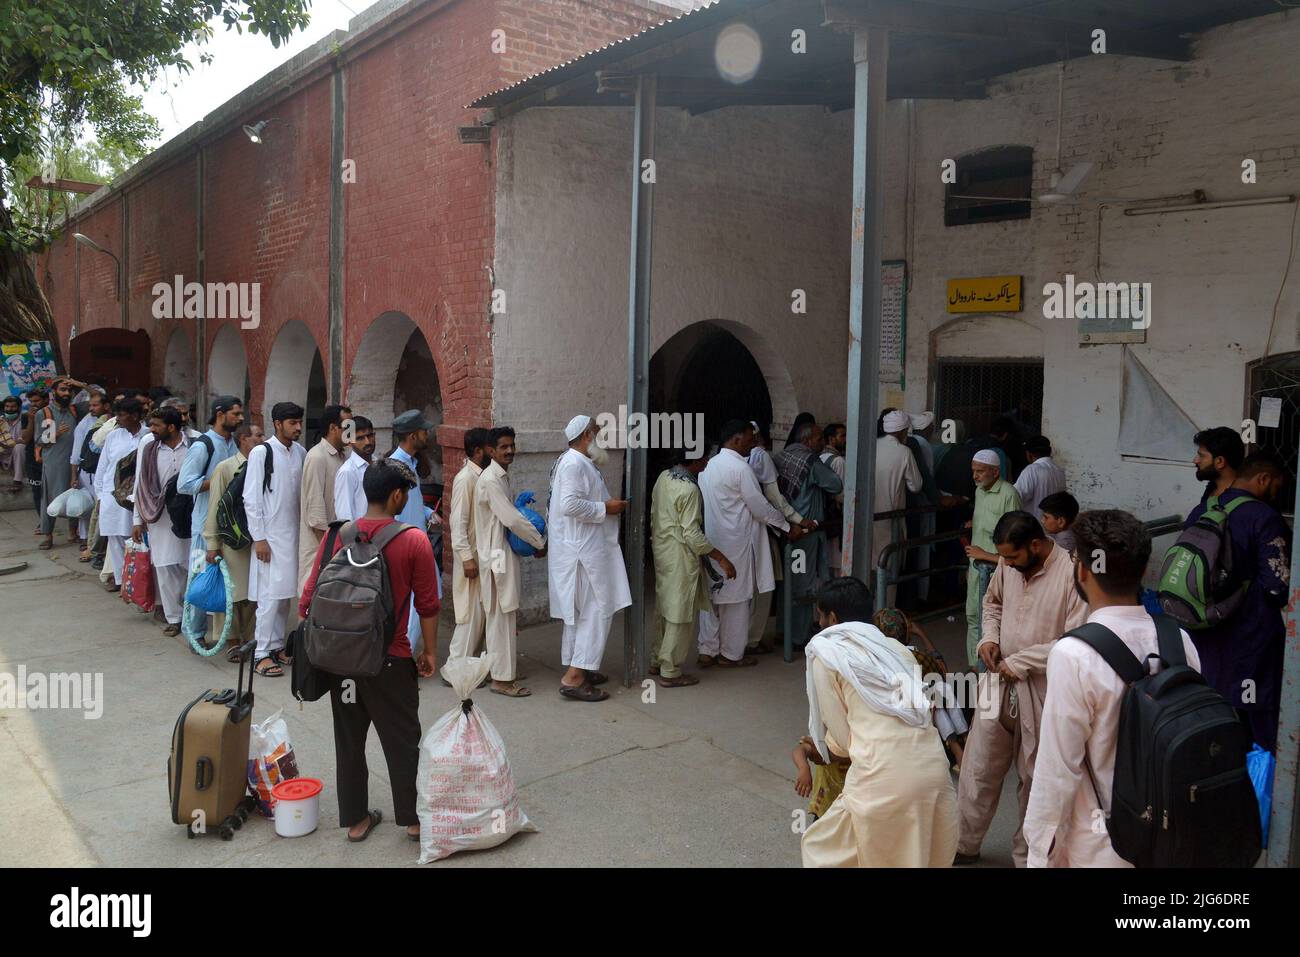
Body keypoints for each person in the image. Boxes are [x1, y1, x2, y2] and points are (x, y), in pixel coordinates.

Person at [1023, 510, 1201, 867]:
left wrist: (1039, 852)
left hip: (1103, 846)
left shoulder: (1074, 654)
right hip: (1172, 841)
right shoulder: (1179, 640)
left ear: (1083, 571)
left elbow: (1058, 769)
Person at [299, 458, 440, 844]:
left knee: (349, 739)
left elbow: (307, 599)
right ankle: (411, 820)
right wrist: (429, 652)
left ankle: (356, 821)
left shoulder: (336, 536)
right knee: (402, 738)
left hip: (342, 661)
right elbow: (428, 605)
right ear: (397, 495)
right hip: (390, 660)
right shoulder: (413, 540)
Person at [954, 511, 1087, 867]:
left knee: (1034, 780)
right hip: (998, 680)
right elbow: (992, 603)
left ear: (1037, 544)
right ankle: (963, 844)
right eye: (1004, 558)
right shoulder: (1007, 566)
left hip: (1043, 691)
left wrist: (1023, 662)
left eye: (1013, 557)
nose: (1008, 565)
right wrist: (989, 637)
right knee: (978, 768)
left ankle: (1027, 857)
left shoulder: (1071, 573)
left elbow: (1076, 641)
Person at [800, 576, 958, 868]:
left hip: (880, 778)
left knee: (820, 850)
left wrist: (819, 749)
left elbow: (843, 740)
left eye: (821, 617)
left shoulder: (828, 656)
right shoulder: (898, 651)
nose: (820, 624)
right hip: (933, 774)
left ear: (831, 617)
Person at [1182, 451, 1291, 751]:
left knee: (1215, 716)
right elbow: (1276, 587)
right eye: (1276, 486)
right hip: (1251, 638)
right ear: (1264, 478)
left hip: (1203, 631)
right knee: (1257, 723)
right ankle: (1258, 787)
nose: (1275, 494)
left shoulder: (1201, 509)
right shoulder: (1264, 517)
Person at [698, 420, 800, 667]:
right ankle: (730, 654)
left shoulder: (710, 466)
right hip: (737, 544)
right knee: (737, 601)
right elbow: (760, 507)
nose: (754, 442)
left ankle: (707, 649)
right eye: (749, 437)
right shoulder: (740, 469)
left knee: (712, 598)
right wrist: (786, 526)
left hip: (713, 542)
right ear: (736, 439)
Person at [548, 415, 632, 702]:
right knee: (598, 610)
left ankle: (581, 668)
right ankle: (574, 676)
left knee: (582, 614)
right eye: (595, 432)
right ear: (585, 435)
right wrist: (605, 508)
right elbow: (569, 505)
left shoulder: (576, 461)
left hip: (584, 549)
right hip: (582, 552)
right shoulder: (573, 463)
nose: (598, 436)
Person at [650, 449, 735, 687]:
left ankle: (657, 659)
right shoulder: (689, 490)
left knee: (664, 607)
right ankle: (670, 670)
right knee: (680, 612)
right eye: (705, 457)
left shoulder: (664, 477)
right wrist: (721, 558)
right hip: (680, 557)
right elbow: (693, 534)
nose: (708, 461)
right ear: (695, 460)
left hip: (662, 552)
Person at [473, 426, 546, 697]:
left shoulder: (500, 477)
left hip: (497, 553)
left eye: (512, 445)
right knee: (503, 614)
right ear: (491, 451)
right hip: (497, 556)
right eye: (503, 447)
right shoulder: (492, 479)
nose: (510, 450)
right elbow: (512, 520)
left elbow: (507, 514)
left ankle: (498, 671)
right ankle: (502, 680)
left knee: (500, 614)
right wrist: (539, 542)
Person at [244, 402, 306, 678]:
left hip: (294, 536)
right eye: (292, 422)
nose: (298, 428)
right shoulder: (262, 452)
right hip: (269, 537)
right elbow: (251, 498)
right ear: (278, 423)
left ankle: (278, 645)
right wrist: (259, 538)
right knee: (269, 597)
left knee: (285, 597)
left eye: (299, 422)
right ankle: (260, 654)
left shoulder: (300, 453)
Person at [741, 423, 809, 655]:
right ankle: (751, 639)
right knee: (764, 585)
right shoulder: (761, 458)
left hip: (736, 532)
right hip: (764, 529)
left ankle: (735, 639)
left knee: (741, 588)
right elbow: (774, 499)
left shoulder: (724, 461)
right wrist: (795, 521)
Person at [873, 607, 968, 769]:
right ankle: (964, 742)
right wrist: (921, 633)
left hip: (914, 708)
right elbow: (942, 670)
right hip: (919, 710)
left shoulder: (880, 661)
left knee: (936, 694)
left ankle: (958, 748)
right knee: (943, 691)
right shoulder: (916, 655)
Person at [775, 422, 843, 645]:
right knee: (803, 583)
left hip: (785, 529)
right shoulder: (809, 461)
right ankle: (797, 636)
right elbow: (835, 484)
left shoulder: (782, 456)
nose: (822, 443)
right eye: (818, 439)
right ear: (806, 441)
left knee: (789, 581)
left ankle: (783, 630)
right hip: (805, 532)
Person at [176, 395, 244, 611]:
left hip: (229, 527)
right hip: (203, 527)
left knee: (225, 580)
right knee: (198, 578)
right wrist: (217, 480)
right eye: (236, 414)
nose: (240, 418)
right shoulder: (202, 445)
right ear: (220, 415)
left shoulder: (234, 444)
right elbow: (184, 484)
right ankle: (193, 632)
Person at [204, 422, 265, 661]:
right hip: (232, 540)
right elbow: (215, 506)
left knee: (253, 594)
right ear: (243, 438)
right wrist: (212, 544)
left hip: (257, 539)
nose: (262, 439)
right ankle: (230, 640)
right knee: (232, 593)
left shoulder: (263, 466)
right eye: (257, 436)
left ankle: (249, 638)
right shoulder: (226, 468)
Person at [130, 408, 191, 635]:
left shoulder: (194, 446)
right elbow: (141, 484)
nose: (151, 429)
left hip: (188, 517)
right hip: (159, 517)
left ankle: (191, 617)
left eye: (156, 425)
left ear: (171, 427)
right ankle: (174, 618)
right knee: (165, 568)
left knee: (189, 566)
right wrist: (138, 519)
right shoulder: (149, 449)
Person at [387, 409, 442, 656]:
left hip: (417, 541)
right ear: (412, 435)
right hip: (403, 544)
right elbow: (391, 509)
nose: (426, 434)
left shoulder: (410, 463)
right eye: (423, 431)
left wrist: (429, 512)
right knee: (414, 602)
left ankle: (404, 652)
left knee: (425, 598)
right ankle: (402, 655)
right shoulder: (395, 467)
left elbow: (412, 502)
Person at [962, 450, 1022, 666]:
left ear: (995, 472)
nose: (975, 476)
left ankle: (992, 667)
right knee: (972, 615)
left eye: (980, 471)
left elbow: (1016, 540)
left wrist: (985, 555)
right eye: (973, 471)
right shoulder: (979, 491)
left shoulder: (1009, 495)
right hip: (976, 565)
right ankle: (974, 665)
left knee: (994, 619)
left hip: (998, 569)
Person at [446, 427, 491, 667]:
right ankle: (455, 667)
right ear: (477, 451)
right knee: (469, 614)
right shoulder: (465, 479)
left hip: (484, 556)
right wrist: (466, 558)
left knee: (482, 612)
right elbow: (458, 522)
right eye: (490, 448)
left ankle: (473, 664)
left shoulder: (483, 475)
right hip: (471, 557)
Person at [93, 397, 146, 591]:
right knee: (115, 538)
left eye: (122, 415)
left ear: (134, 416)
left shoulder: (148, 436)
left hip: (137, 495)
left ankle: (136, 581)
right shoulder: (113, 437)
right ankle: (120, 581)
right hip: (111, 493)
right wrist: (100, 495)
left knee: (135, 538)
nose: (118, 419)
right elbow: (103, 467)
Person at [298, 403, 352, 592]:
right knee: (314, 602)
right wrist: (328, 549)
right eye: (347, 427)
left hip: (338, 545)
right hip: (321, 546)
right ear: (332, 428)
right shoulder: (317, 457)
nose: (351, 432)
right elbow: (315, 511)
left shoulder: (345, 456)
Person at [874, 409, 923, 608]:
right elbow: (916, 485)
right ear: (903, 431)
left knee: (867, 572)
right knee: (887, 576)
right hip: (890, 522)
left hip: (867, 521)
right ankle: (884, 624)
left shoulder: (871, 446)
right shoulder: (904, 452)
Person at [33, 378, 79, 550]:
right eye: (62, 390)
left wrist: (80, 384)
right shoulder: (44, 413)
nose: (66, 393)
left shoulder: (74, 410)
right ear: (54, 392)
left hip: (73, 462)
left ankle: (72, 532)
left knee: (73, 494)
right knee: (49, 498)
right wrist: (56, 433)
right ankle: (47, 535)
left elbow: (97, 396)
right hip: (53, 463)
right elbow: (39, 440)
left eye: (69, 390)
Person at [69, 386, 108, 554]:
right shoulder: (84, 424)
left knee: (101, 507)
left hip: (104, 471)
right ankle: (85, 540)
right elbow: (76, 454)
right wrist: (74, 476)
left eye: (95, 405)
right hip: (87, 472)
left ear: (106, 406)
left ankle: (100, 543)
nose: (91, 409)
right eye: (90, 405)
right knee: (87, 507)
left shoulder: (110, 421)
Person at [332, 415, 375, 523]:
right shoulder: (347, 471)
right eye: (360, 438)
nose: (367, 442)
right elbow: (344, 517)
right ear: (350, 442)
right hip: (361, 537)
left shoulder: (379, 464)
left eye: (370, 436)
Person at [1189, 426, 1244, 509]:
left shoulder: (1241, 501)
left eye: (1201, 456)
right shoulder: (1212, 488)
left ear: (1220, 462)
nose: (1195, 461)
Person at [1014, 435, 1066, 520]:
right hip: (1053, 527)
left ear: (1029, 454)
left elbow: (1015, 497)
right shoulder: (1059, 471)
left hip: (1035, 525)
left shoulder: (1032, 470)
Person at [819, 422, 847, 577]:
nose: (845, 439)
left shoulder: (820, 457)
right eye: (842, 436)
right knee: (837, 565)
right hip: (836, 517)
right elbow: (843, 494)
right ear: (831, 439)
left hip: (824, 518)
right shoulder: (838, 461)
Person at [1, 394, 23, 491]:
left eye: (13, 406)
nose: (9, 409)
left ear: (18, 407)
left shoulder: (25, 419)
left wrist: (11, 443)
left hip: (18, 454)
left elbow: (24, 440)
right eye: (7, 406)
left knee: (20, 447)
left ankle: (17, 481)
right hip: (3, 454)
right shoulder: (0, 420)